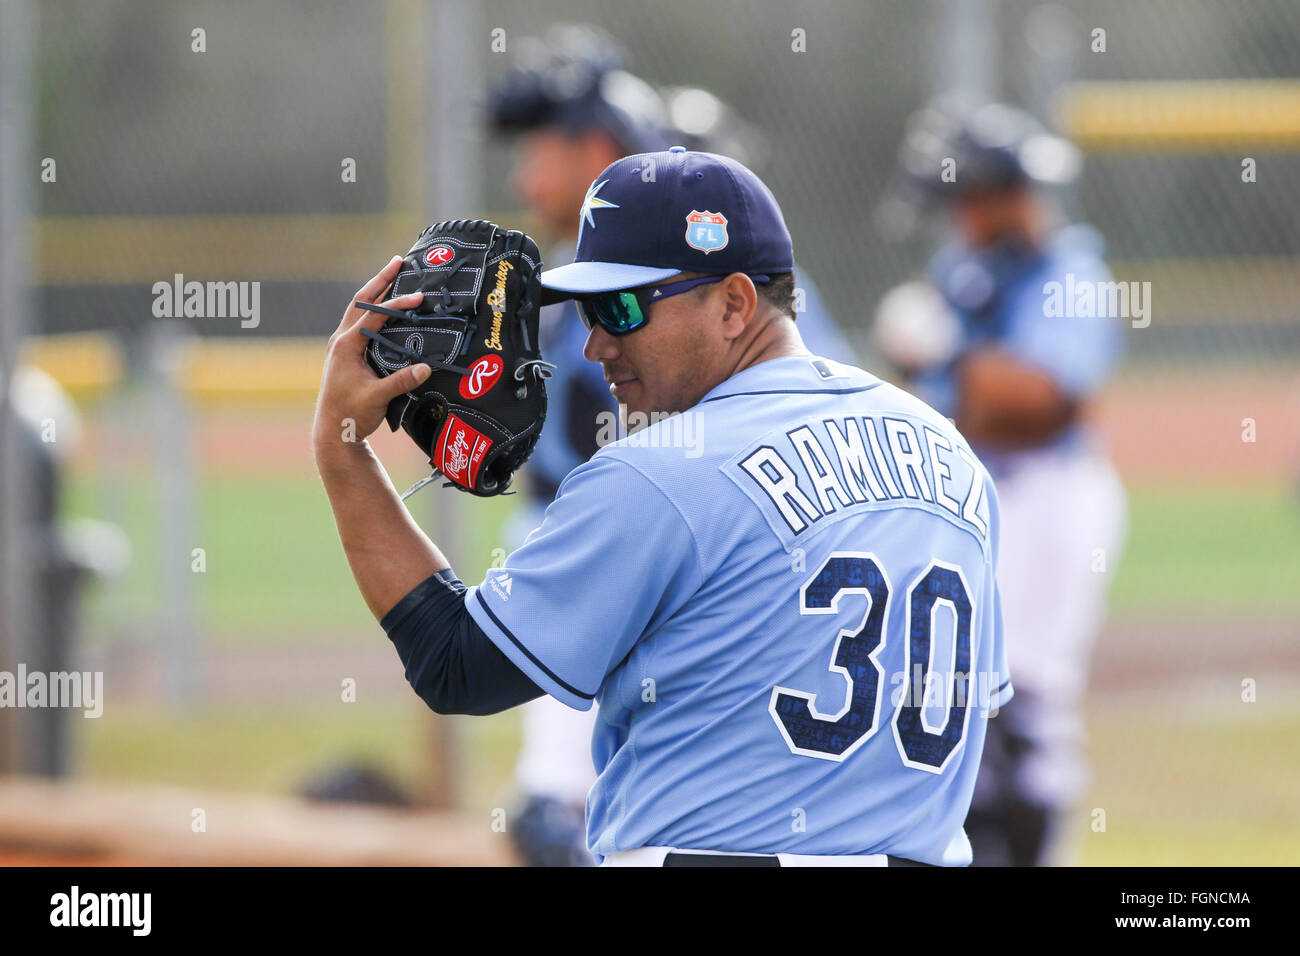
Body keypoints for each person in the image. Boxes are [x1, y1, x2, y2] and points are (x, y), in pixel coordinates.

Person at [314, 146, 1011, 865]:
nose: (595, 345)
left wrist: (343, 455)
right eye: (587, 311)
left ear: (735, 303)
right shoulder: (947, 452)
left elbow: (458, 665)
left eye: (621, 307)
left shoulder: (655, 474)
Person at [485, 28, 859, 865]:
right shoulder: (562, 283)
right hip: (586, 551)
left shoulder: (731, 300)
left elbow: (815, 413)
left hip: (705, 565)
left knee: (605, 818)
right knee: (563, 816)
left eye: (541, 150)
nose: (524, 176)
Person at [874, 97, 1127, 865]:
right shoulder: (967, 272)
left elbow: (1042, 404)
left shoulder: (1069, 273)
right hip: (977, 498)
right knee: (958, 702)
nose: (959, 216)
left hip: (1046, 496)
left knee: (1024, 709)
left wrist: (946, 359)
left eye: (968, 198)